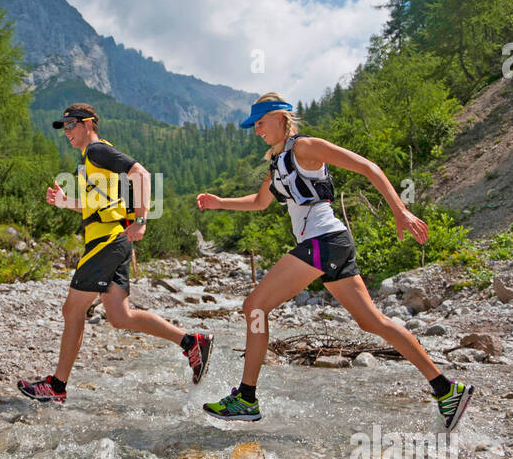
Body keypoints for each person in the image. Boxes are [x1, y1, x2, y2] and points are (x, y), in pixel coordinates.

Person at [195, 93, 473, 430]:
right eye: (253, 125)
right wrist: (218, 202)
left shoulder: (305, 147)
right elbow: (258, 202)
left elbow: (367, 166)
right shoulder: (278, 162)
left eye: (260, 122)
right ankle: (446, 389)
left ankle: (246, 397)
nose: (256, 130)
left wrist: (401, 211)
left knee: (254, 306)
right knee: (373, 322)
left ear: (281, 116)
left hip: (324, 241)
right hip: (333, 245)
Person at [18, 104, 214, 402]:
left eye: (71, 125)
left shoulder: (97, 151)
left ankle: (56, 387)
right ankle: (191, 342)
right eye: (64, 127)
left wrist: (141, 219)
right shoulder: (89, 161)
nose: (67, 132)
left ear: (88, 124)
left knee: (72, 310)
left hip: (106, 243)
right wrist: (64, 201)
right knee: (121, 316)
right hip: (112, 241)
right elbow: (96, 204)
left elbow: (141, 174)